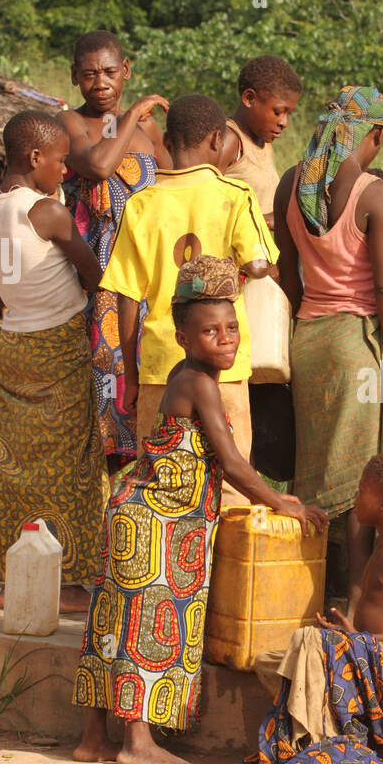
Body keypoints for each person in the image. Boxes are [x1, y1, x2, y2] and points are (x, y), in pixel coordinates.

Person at [73, 257, 327, 764]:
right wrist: (283, 502)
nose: (226, 339)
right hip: (157, 523)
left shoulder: (188, 374)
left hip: (139, 513)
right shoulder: (200, 382)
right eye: (210, 331)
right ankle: (136, 743)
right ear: (185, 338)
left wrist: (273, 497)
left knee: (112, 625)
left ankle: (93, 738)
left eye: (232, 327)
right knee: (145, 627)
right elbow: (232, 462)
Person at [217, 453, 383, 764]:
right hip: (370, 660)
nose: (355, 495)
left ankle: (316, 747)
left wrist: (363, 641)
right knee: (269, 662)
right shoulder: (380, 544)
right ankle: (322, 739)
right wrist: (350, 638)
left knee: (309, 642)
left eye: (362, 489)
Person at [272, 85, 383, 605]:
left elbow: (290, 277)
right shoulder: (374, 193)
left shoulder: (290, 184)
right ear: (374, 134)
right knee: (362, 480)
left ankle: (309, 590)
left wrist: (301, 331)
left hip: (308, 341)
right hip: (357, 343)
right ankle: (355, 597)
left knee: (315, 469)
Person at [100, 93, 276, 506]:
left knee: (160, 482)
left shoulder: (141, 204)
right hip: (223, 363)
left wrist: (130, 373)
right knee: (231, 482)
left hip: (161, 369)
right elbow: (260, 264)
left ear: (166, 143)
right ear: (217, 140)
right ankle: (228, 571)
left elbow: (127, 300)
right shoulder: (235, 195)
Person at [0, 111, 107, 615]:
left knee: (17, 467)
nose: (65, 171)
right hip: (59, 346)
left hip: (14, 344)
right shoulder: (45, 212)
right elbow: (92, 274)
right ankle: (66, 584)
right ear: (34, 158)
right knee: (72, 464)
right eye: (60, 161)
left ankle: (11, 581)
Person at [58, 30, 172, 470]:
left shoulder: (147, 128)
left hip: (148, 284)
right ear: (74, 78)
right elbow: (99, 165)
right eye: (89, 74)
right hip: (97, 283)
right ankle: (100, 514)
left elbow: (174, 180)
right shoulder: (70, 124)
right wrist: (134, 115)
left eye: (109, 72)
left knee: (152, 392)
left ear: (125, 71)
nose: (100, 82)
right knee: (104, 401)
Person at [217, 55, 302, 231]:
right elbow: (201, 204)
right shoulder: (230, 140)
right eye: (278, 112)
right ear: (249, 98)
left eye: (288, 114)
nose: (284, 122)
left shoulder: (262, 142)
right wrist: (271, 220)